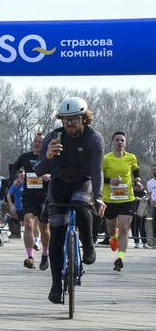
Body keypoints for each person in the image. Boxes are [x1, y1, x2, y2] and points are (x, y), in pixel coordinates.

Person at [35, 96, 105, 304]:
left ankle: (88, 244)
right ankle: (56, 284)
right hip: (59, 183)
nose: (69, 124)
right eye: (65, 120)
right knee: (57, 232)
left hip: (83, 181)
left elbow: (97, 170)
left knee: (80, 204)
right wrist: (47, 156)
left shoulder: (93, 138)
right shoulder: (53, 137)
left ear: (84, 119)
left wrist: (99, 197)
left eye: (74, 119)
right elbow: (38, 171)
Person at [100, 131, 143, 271]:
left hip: (127, 198)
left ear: (125, 143)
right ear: (112, 142)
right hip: (110, 199)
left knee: (124, 228)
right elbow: (99, 176)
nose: (119, 142)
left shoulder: (131, 157)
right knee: (112, 228)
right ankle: (113, 237)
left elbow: (136, 171)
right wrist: (109, 181)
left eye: (122, 140)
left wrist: (137, 181)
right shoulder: (106, 158)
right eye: (117, 140)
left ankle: (120, 257)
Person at [10, 133, 51, 270]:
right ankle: (30, 257)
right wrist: (18, 176)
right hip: (29, 195)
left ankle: (45, 254)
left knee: (44, 227)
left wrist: (49, 175)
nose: (37, 143)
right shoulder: (25, 157)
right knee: (28, 222)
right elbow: (13, 168)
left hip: (44, 196)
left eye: (40, 141)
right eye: (35, 141)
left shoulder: (48, 156)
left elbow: (57, 171)